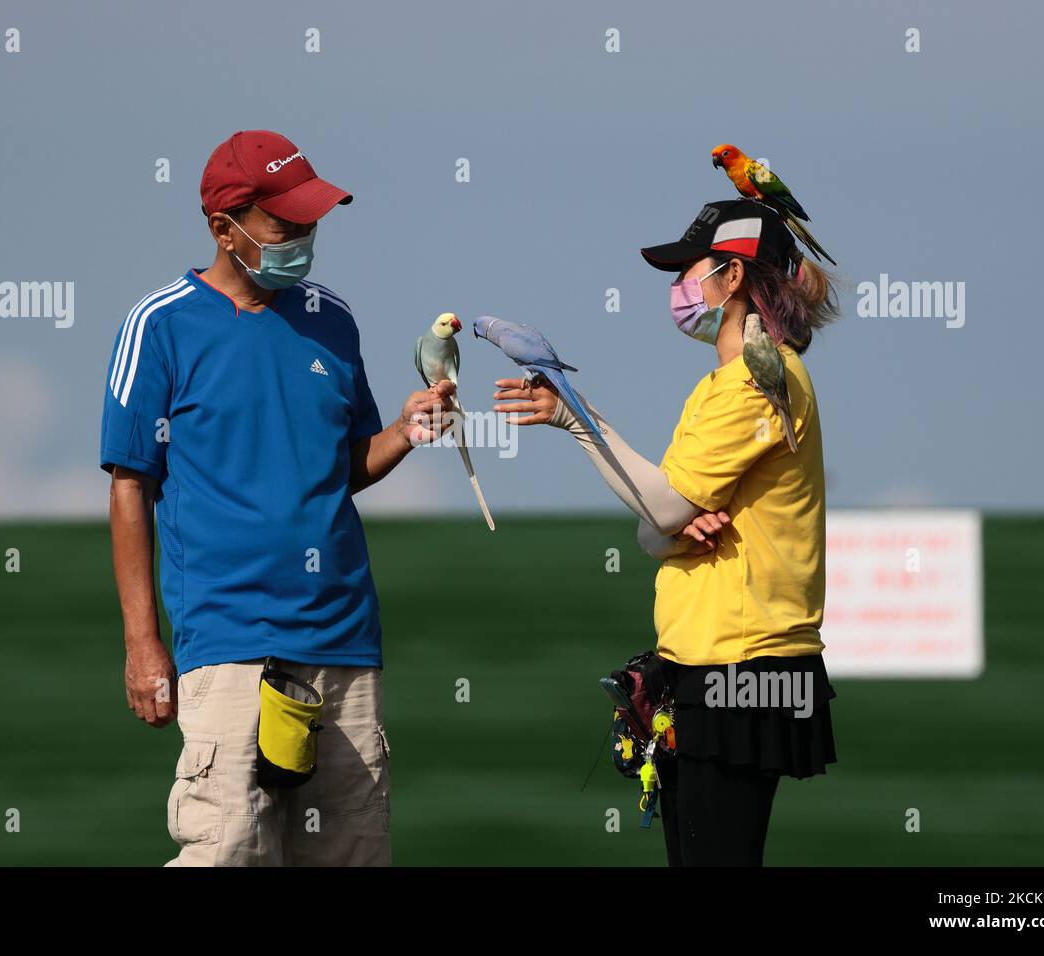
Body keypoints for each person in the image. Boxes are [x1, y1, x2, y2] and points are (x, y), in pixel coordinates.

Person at [100, 129, 453, 866]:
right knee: (225, 850)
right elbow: (130, 485)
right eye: (283, 224)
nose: (303, 237)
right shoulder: (159, 324)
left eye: (310, 220)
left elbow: (347, 465)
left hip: (345, 641)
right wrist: (142, 643)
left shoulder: (333, 319)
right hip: (228, 641)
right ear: (223, 228)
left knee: (353, 856)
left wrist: (406, 431)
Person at [495, 198, 839, 866]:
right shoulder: (719, 385)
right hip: (711, 662)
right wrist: (668, 522)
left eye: (690, 269)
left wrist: (578, 419)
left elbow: (660, 511)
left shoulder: (754, 385)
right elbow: (655, 528)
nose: (679, 287)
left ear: (733, 279)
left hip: (743, 668)